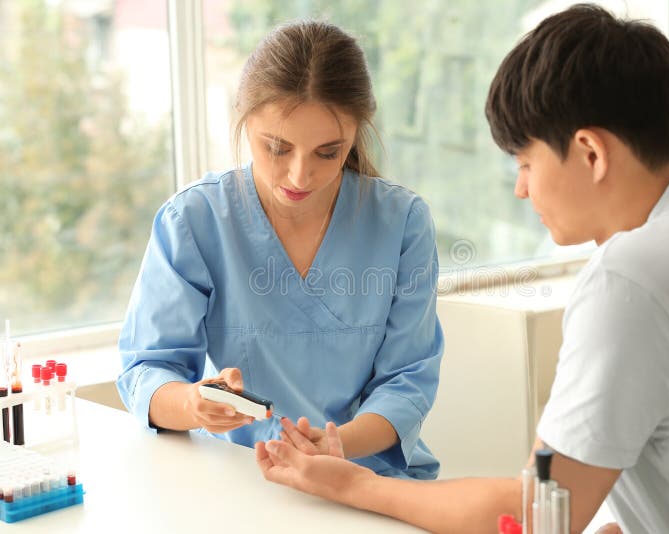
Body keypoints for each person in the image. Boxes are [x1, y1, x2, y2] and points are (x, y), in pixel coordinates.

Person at [254, 4, 669, 533]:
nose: (521, 188)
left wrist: (349, 484)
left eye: (525, 163)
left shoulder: (629, 281)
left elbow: (536, 516)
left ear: (591, 153)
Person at [117, 21, 444, 481]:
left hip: (367, 480)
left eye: (328, 153)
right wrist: (195, 404)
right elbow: (148, 368)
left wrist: (336, 445)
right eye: (277, 147)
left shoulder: (402, 222)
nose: (298, 176)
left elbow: (407, 382)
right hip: (242, 481)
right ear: (244, 117)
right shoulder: (194, 220)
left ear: (357, 133)